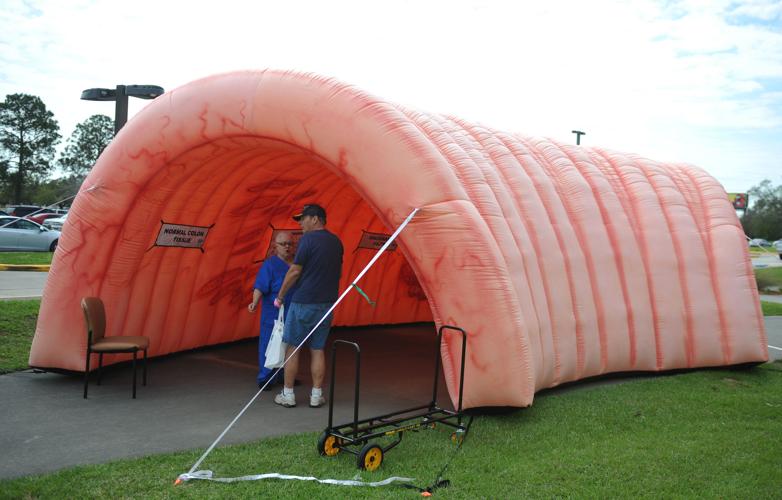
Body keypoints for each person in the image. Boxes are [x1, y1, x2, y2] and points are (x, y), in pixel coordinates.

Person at [273, 204, 343, 408]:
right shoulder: (336, 242)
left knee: (293, 347)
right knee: (317, 348)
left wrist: (280, 296)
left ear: (315, 219)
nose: (301, 223)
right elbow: (338, 273)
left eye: (303, 219)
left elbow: (295, 271)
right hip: (326, 304)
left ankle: (288, 394)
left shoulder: (308, 240)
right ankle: (316, 395)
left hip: (304, 302)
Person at [248, 231, 295, 388]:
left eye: (290, 244)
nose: (287, 247)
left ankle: (285, 375)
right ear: (275, 246)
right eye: (283, 244)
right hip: (273, 312)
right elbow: (260, 286)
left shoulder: (297, 265)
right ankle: (265, 377)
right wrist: (254, 302)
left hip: (293, 311)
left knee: (289, 345)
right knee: (269, 344)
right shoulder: (269, 265)